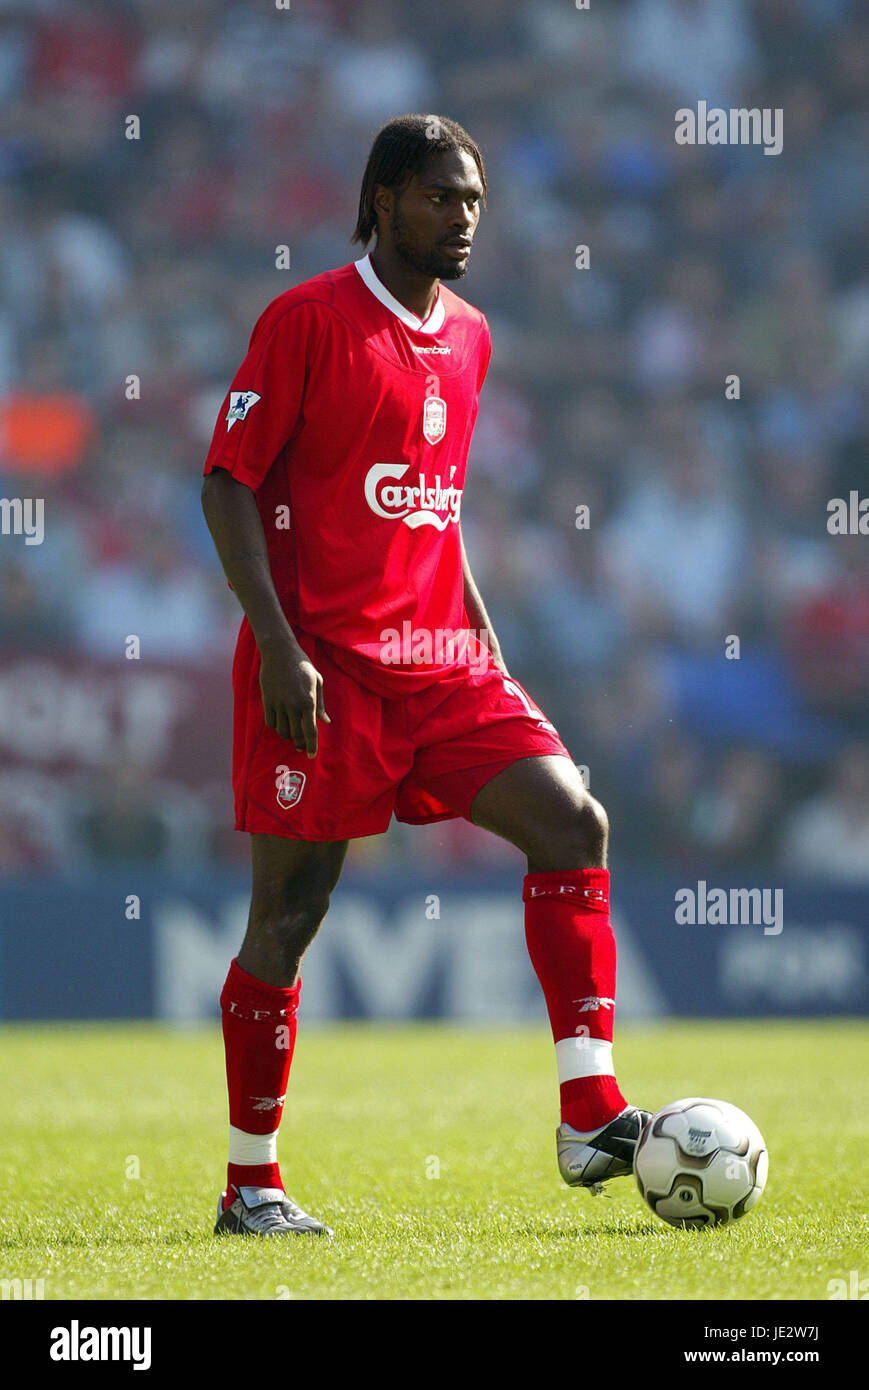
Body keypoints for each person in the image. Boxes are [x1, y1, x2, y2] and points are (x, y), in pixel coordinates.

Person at [201, 114, 649, 1237]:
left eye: (475, 204)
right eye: (443, 199)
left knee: (570, 819)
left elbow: (437, 512)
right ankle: (250, 1182)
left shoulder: (474, 337)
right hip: (323, 670)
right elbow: (226, 483)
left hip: (441, 657)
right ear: (386, 197)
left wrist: (483, 638)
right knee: (289, 920)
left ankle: (588, 1112)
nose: (462, 221)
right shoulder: (306, 320)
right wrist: (282, 647)